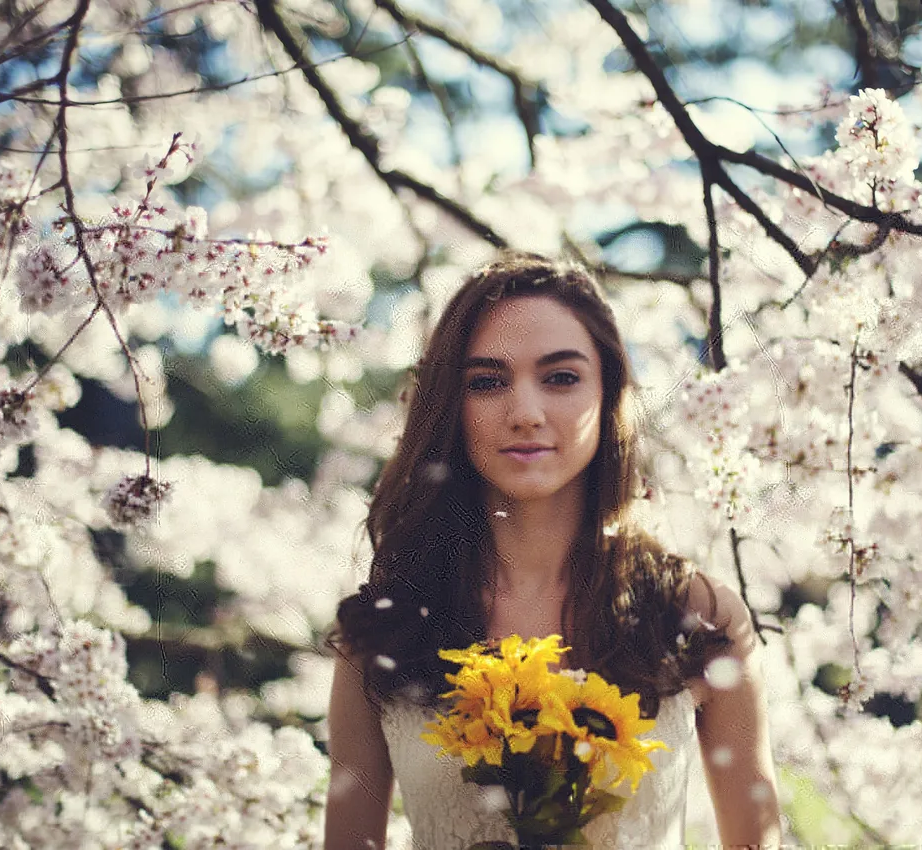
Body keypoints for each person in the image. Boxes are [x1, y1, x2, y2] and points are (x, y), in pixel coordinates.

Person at [323, 253, 782, 848]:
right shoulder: (383, 631)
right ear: (449, 405)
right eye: (486, 382)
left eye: (561, 377)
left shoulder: (696, 615)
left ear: (609, 393)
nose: (525, 414)